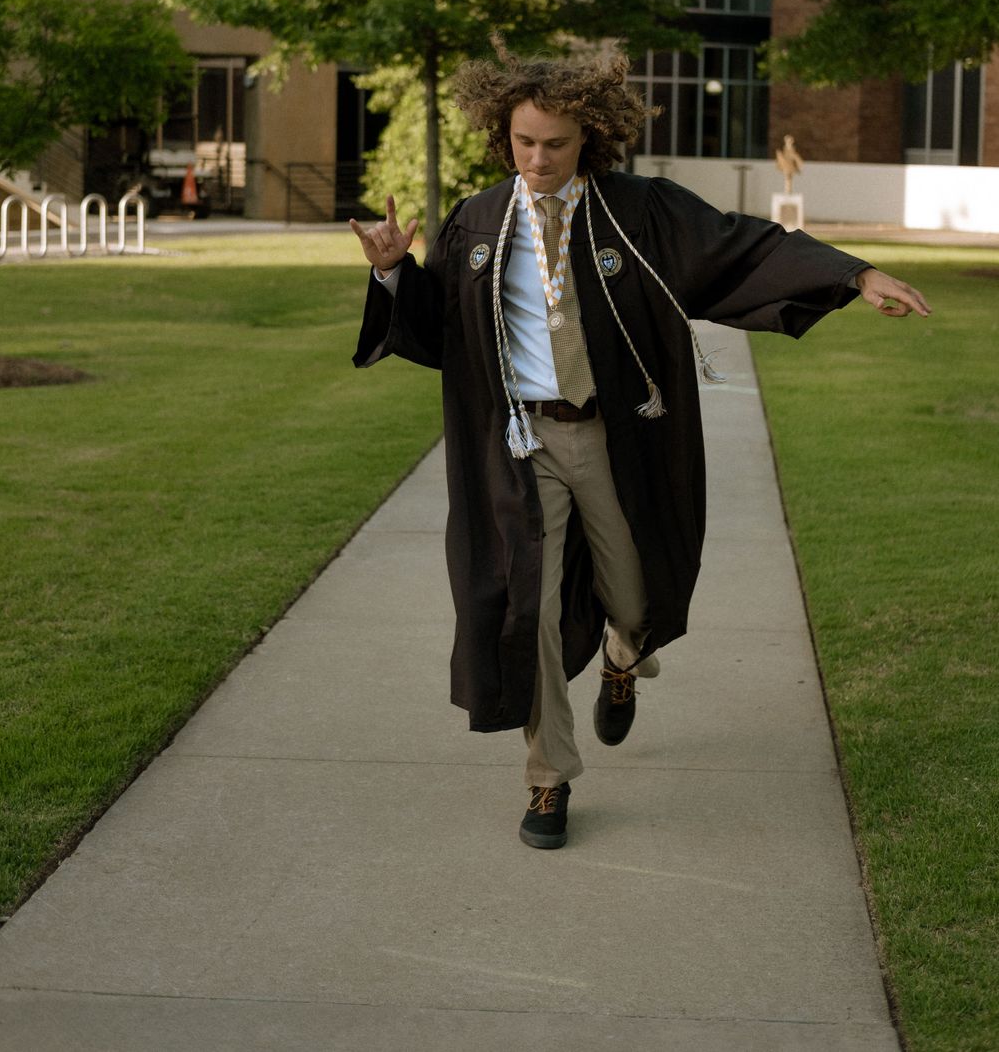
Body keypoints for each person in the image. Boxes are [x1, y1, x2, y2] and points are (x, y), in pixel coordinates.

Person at [350, 53, 929, 850]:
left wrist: (855, 276)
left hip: (611, 436)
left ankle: (623, 657)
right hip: (521, 444)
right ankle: (548, 777)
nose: (538, 160)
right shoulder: (479, 222)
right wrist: (392, 273)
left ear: (588, 138)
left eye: (555, 144)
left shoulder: (638, 213)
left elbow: (743, 249)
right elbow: (436, 332)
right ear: (503, 136)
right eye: (524, 142)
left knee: (635, 594)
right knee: (530, 608)